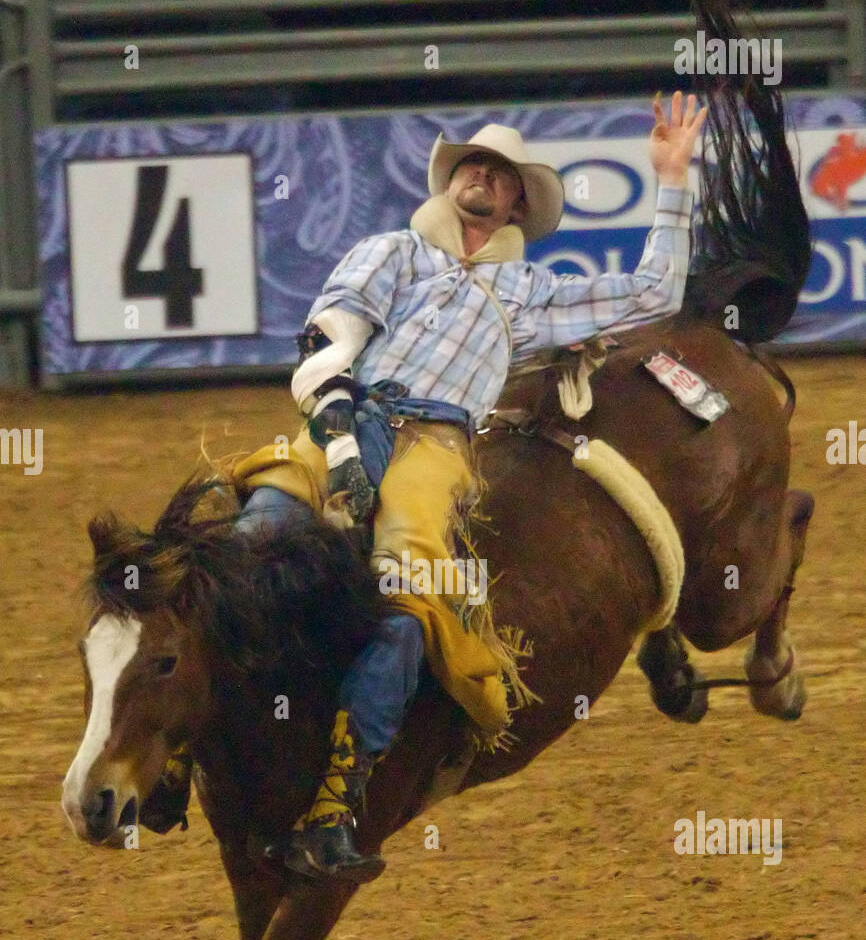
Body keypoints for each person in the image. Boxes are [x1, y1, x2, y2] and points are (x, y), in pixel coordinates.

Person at [152, 92, 707, 883]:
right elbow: (332, 332)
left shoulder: (532, 293)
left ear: (517, 198)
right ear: (454, 180)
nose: (482, 173)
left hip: (439, 447)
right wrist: (339, 417)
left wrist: (674, 178)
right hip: (351, 413)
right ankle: (175, 752)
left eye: (500, 171)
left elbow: (655, 293)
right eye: (473, 162)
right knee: (244, 552)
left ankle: (334, 810)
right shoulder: (394, 251)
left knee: (409, 606)